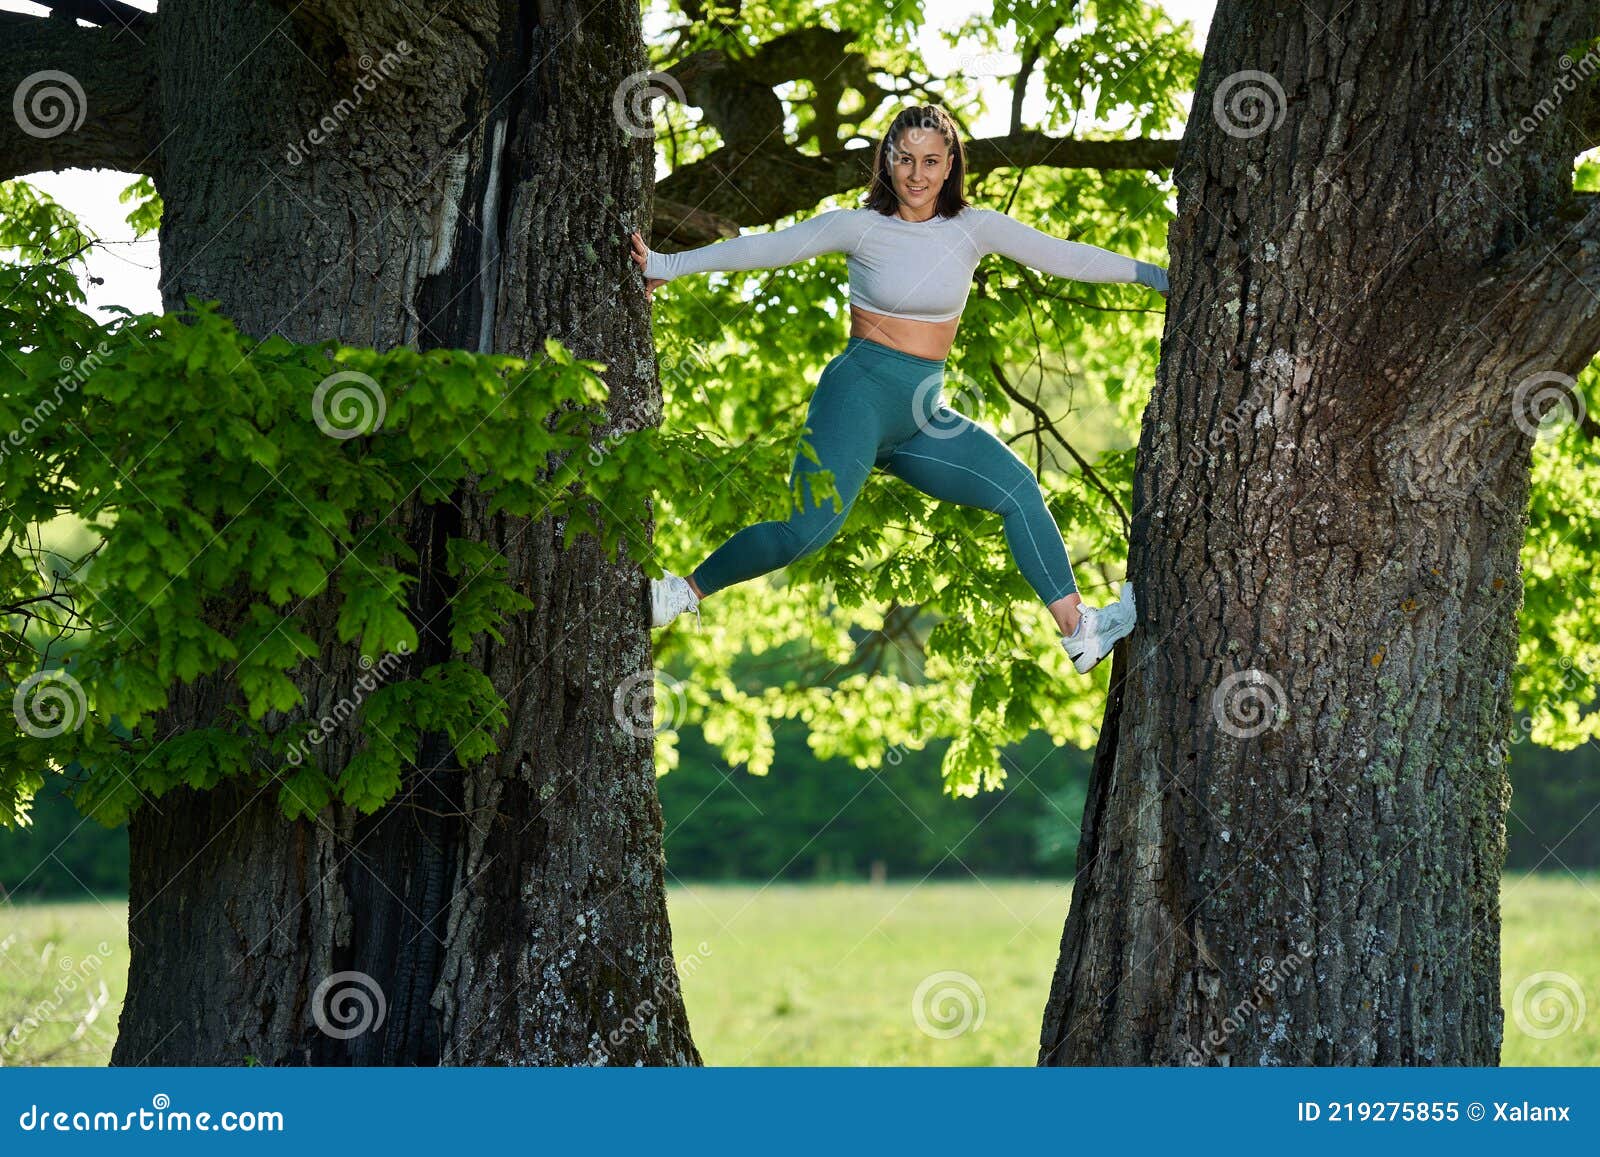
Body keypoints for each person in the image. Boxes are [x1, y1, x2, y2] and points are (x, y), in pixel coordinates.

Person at [628, 105, 1166, 674]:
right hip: (856, 397)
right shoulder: (859, 227)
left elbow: (1066, 256)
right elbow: (764, 248)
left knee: (1016, 489)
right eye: (905, 159)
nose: (917, 174)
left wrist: (1157, 277)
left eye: (931, 161)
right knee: (806, 533)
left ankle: (1078, 630)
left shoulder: (974, 228)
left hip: (922, 415)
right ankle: (681, 592)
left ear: (950, 164)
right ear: (886, 160)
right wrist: (670, 264)